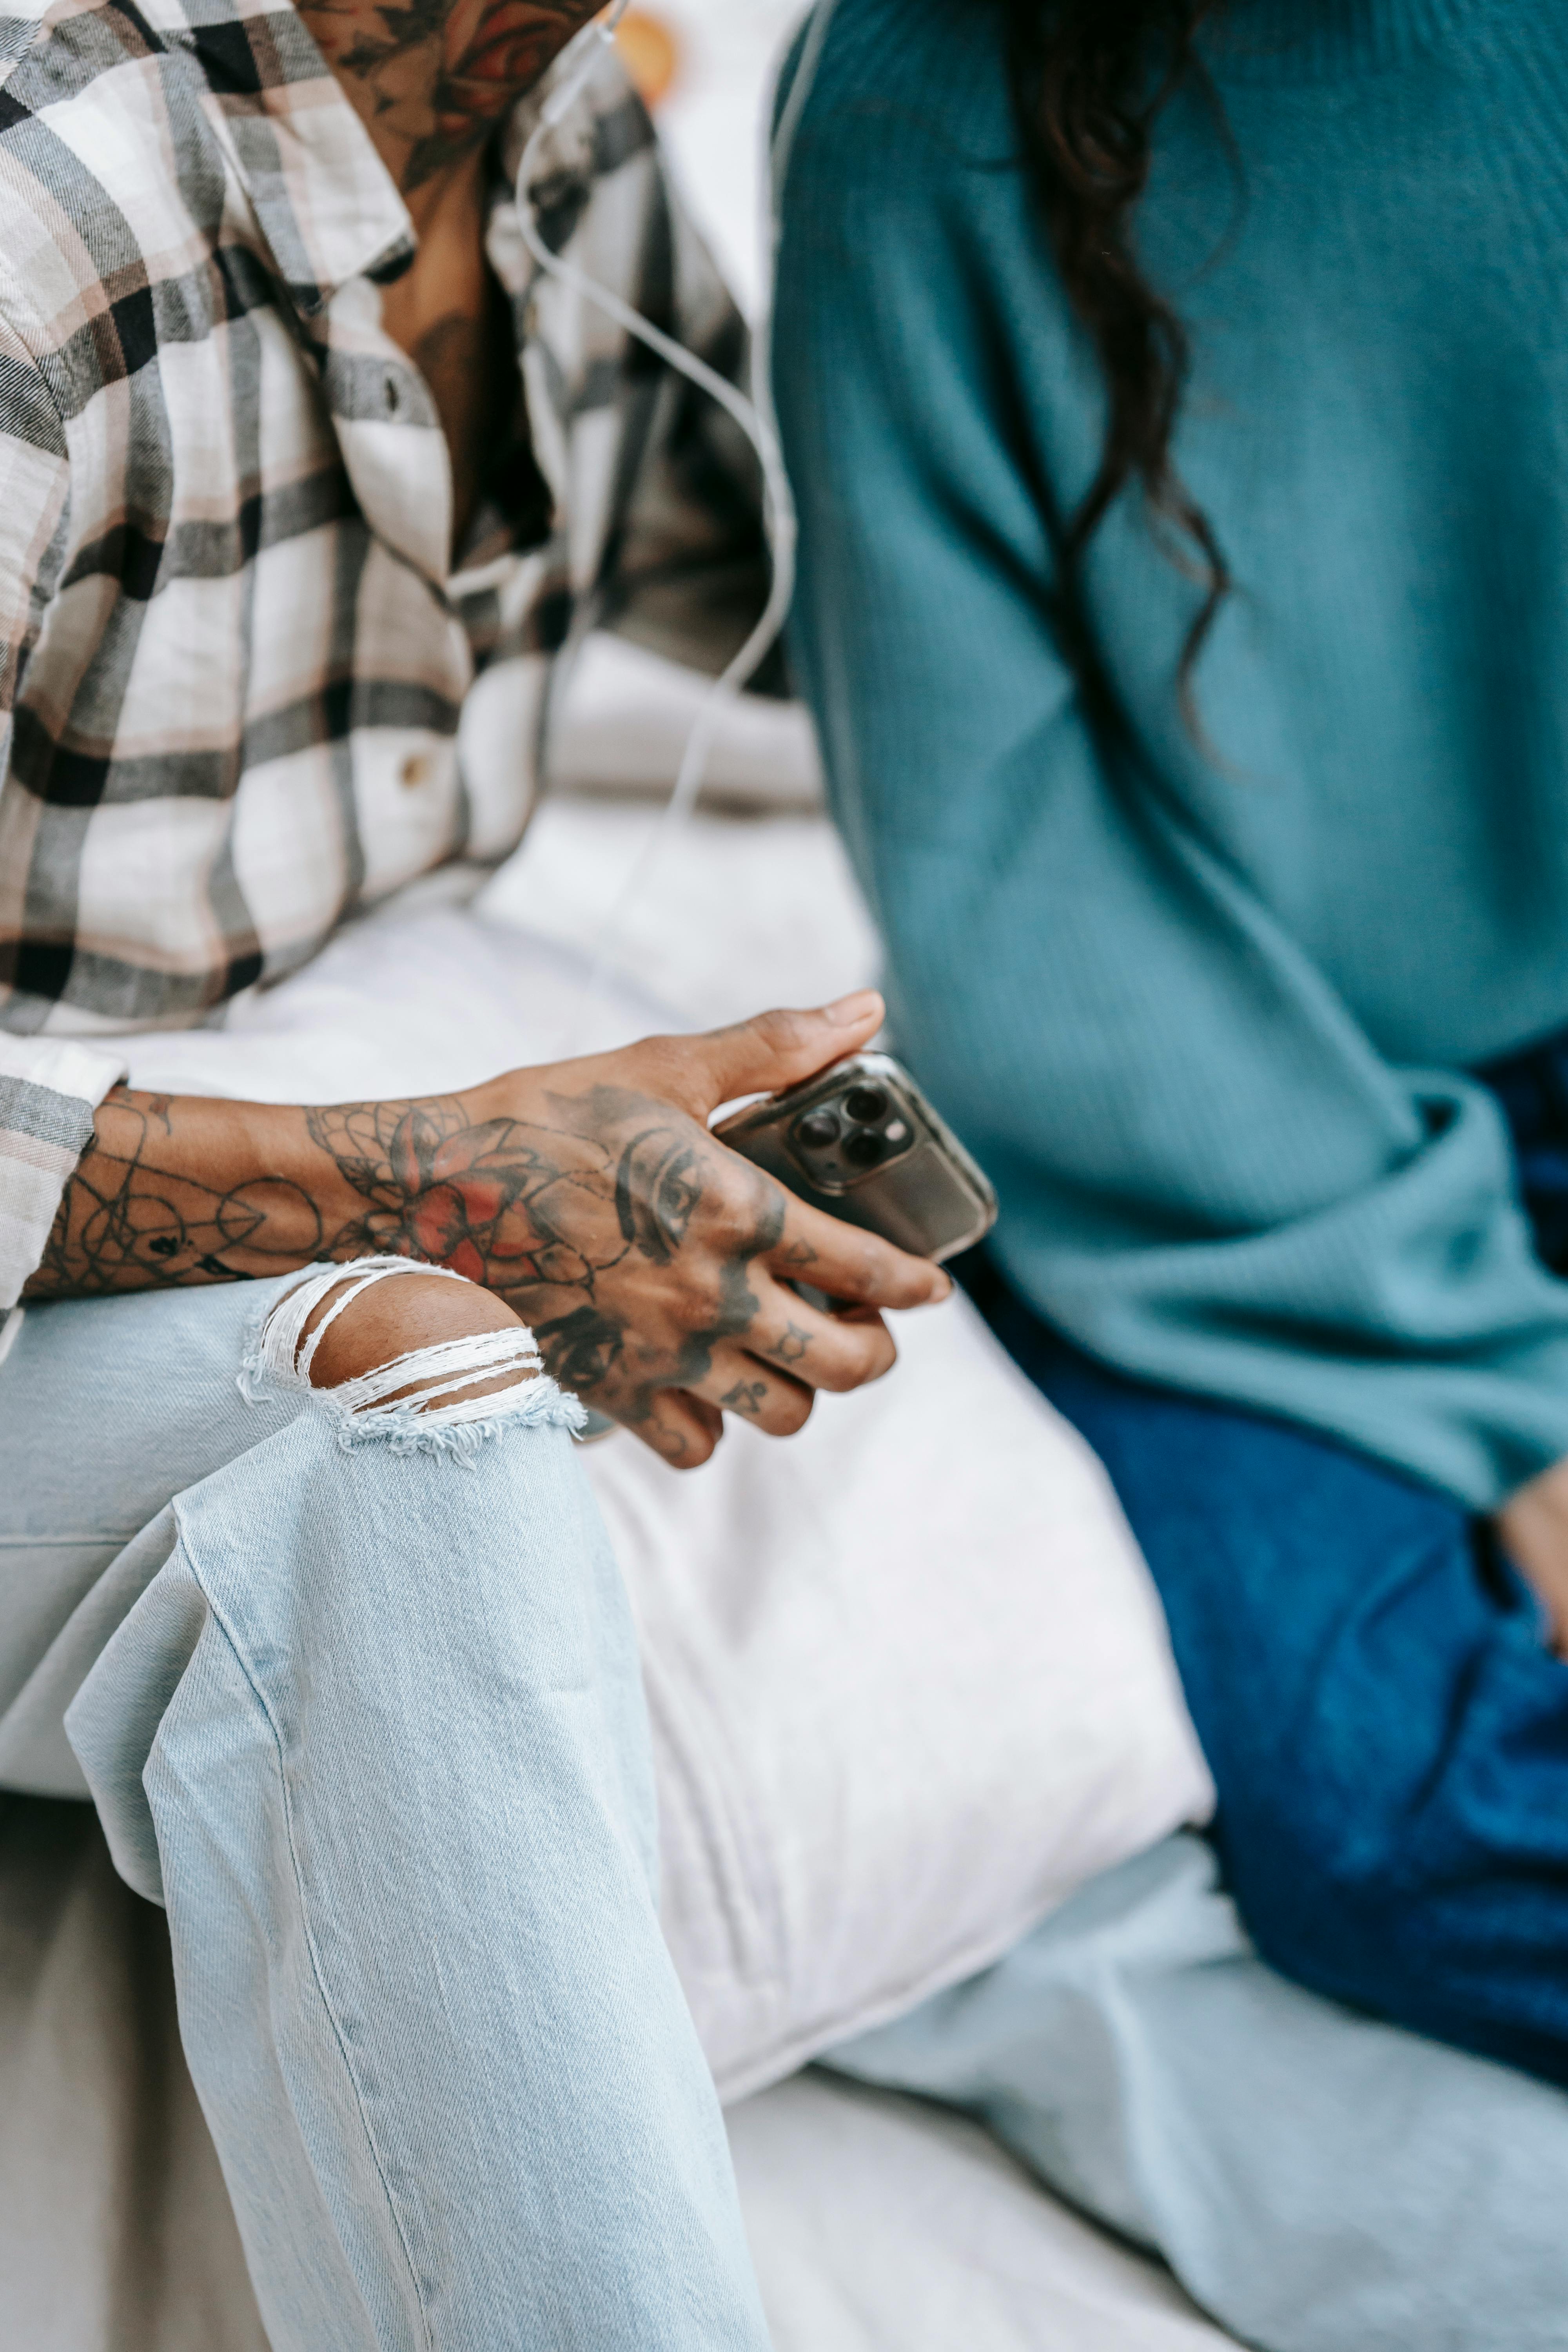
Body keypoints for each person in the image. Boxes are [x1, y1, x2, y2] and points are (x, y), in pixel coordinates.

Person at [0, 0, 949, 2341]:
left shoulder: (568, 155)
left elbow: (853, 618)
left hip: (229, 1229)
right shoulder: (50, 220)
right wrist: (422, 1188)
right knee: (399, 1402)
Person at [774, 0, 1568, 2102]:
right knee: (1378, 1795)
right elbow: (1030, 931)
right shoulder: (907, 120)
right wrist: (1515, 1397)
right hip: (1220, 1152)